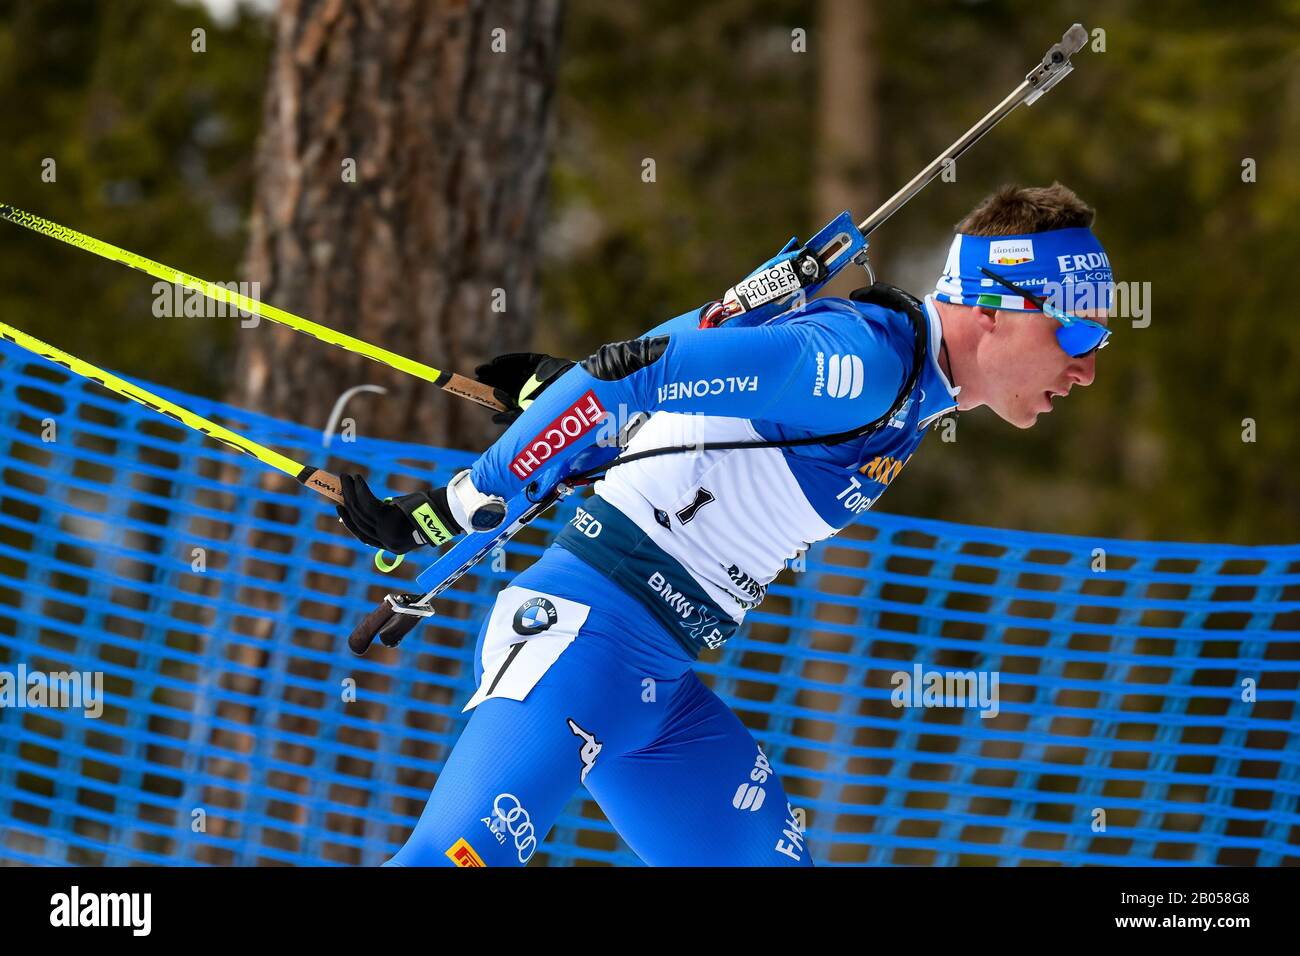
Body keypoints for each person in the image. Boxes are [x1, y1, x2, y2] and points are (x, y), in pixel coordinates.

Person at [335, 182, 1114, 866]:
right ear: (991, 308)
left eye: (1099, 339)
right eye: (1075, 333)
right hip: (582, 640)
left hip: (657, 687)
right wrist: (459, 505)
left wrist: (573, 401)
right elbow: (631, 372)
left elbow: (676, 377)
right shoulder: (864, 366)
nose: (1085, 368)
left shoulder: (910, 387)